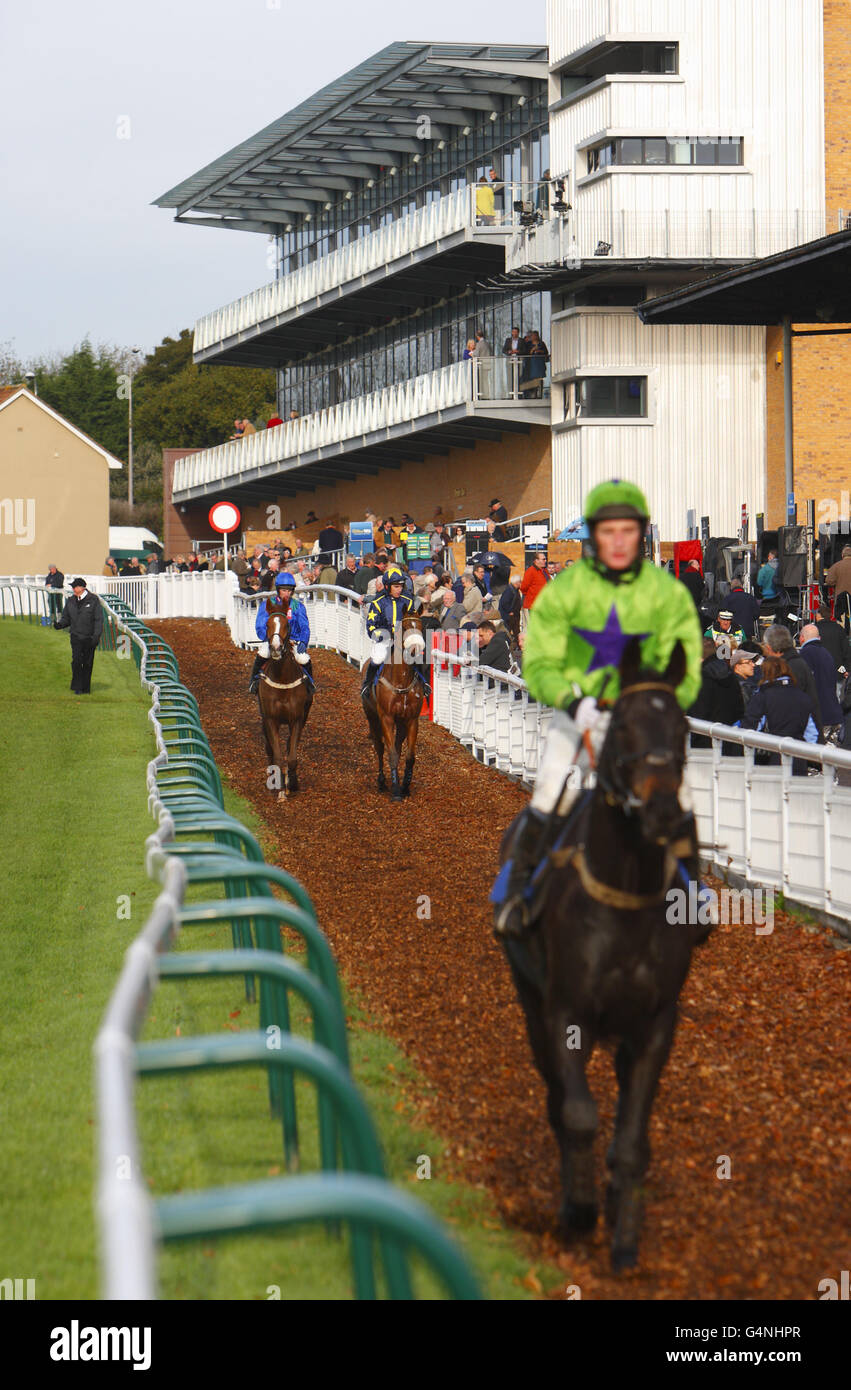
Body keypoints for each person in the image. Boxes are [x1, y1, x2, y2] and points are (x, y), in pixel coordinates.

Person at [493, 480, 702, 939]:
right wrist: (571, 700)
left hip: (643, 722)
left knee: (681, 797)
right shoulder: (564, 592)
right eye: (610, 531)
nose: (620, 541)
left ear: (642, 534)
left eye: (629, 530)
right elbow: (541, 662)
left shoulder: (667, 595)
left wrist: (661, 707)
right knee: (551, 791)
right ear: (593, 536)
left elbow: (687, 668)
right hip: (580, 716)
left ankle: (693, 899)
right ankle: (516, 897)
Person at [741, 657, 819, 775]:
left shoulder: (763, 696)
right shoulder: (803, 697)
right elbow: (811, 734)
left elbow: (751, 728)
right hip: (798, 759)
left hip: (771, 758)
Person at [361, 570, 430, 697]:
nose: (399, 589)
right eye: (396, 586)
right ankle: (367, 685)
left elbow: (411, 619)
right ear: (387, 586)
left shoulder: (407, 600)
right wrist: (386, 635)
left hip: (403, 639)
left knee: (416, 656)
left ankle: (424, 683)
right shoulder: (378, 602)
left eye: (401, 586)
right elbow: (371, 627)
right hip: (384, 639)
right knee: (377, 659)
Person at [248, 571, 313, 694]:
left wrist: (304, 641)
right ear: (278, 590)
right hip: (273, 640)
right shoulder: (267, 605)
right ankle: (253, 682)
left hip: (293, 642)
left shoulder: (298, 607)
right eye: (284, 590)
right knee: (263, 653)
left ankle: (310, 684)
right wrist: (268, 639)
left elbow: (304, 626)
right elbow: (260, 626)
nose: (287, 593)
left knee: (304, 659)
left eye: (289, 590)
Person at [762, 624, 823, 734]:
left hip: (798, 737)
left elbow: (791, 706)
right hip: (803, 733)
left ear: (769, 648)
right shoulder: (797, 662)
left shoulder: (789, 668)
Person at [688, 638, 745, 751]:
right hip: (728, 740)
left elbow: (698, 713)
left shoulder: (701, 678)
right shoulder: (731, 675)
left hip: (702, 745)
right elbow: (739, 710)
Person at [54, 578, 103, 695]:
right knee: (76, 661)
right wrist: (59, 624)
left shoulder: (94, 600)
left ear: (82, 588)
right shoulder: (70, 601)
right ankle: (77, 686)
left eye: (74, 587)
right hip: (75, 636)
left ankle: (86, 687)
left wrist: (96, 636)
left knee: (87, 662)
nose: (73, 589)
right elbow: (66, 618)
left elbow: (98, 620)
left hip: (89, 637)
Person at [798, 623, 845, 739]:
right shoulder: (826, 653)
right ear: (819, 638)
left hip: (819, 716)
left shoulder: (805, 654)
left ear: (802, 638)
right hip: (833, 711)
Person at [816, 602, 851, 673]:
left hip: (819, 669)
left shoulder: (814, 629)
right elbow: (846, 650)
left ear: (819, 615)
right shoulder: (839, 628)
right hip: (837, 669)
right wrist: (845, 669)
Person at [498, 574, 523, 647]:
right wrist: (509, 611)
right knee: (508, 631)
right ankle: (507, 645)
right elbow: (504, 602)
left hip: (514, 615)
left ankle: (517, 645)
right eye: (520, 582)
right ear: (516, 582)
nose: (521, 583)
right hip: (508, 616)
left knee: (515, 631)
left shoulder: (514, 589)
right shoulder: (509, 590)